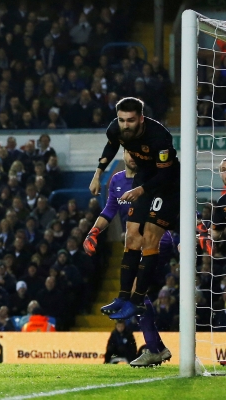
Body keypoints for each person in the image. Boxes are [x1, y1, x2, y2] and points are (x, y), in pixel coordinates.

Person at [85, 97, 179, 323]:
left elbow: (165, 174)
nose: (125, 125)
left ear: (141, 119)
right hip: (144, 178)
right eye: (121, 120)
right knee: (131, 238)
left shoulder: (159, 137)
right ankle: (123, 297)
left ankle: (137, 302)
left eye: (130, 120)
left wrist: (141, 190)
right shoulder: (116, 129)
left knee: (149, 238)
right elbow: (112, 144)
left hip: (167, 184)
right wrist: (98, 173)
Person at [84, 149, 171, 367]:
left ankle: (155, 349)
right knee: (137, 296)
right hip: (134, 246)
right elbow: (109, 211)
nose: (132, 157)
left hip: (155, 242)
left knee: (135, 294)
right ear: (123, 154)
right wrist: (93, 232)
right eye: (128, 152)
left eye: (135, 153)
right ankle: (157, 348)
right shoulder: (117, 180)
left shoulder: (149, 179)